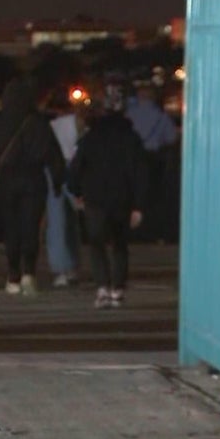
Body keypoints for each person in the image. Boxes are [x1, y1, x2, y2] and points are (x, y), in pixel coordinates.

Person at [0, 77, 66, 295]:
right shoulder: (38, 124)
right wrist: (58, 182)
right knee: (31, 227)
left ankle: (13, 275)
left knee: (11, 228)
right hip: (33, 180)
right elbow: (53, 156)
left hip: (8, 181)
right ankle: (29, 273)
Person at [68, 86, 149, 308]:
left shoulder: (90, 137)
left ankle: (102, 287)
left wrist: (77, 191)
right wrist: (138, 205)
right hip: (123, 198)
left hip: (95, 197)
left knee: (97, 243)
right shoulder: (131, 138)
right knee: (120, 244)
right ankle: (118, 289)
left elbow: (76, 168)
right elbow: (140, 173)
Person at [125, 83, 179, 241]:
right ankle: (150, 227)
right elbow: (171, 138)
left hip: (134, 156)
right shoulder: (161, 116)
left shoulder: (130, 114)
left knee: (132, 191)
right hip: (153, 158)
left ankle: (133, 224)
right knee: (153, 194)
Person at [45, 95, 82, 287]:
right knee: (72, 220)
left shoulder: (49, 126)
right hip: (75, 167)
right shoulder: (76, 122)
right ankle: (73, 266)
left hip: (53, 169)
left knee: (57, 220)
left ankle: (61, 269)